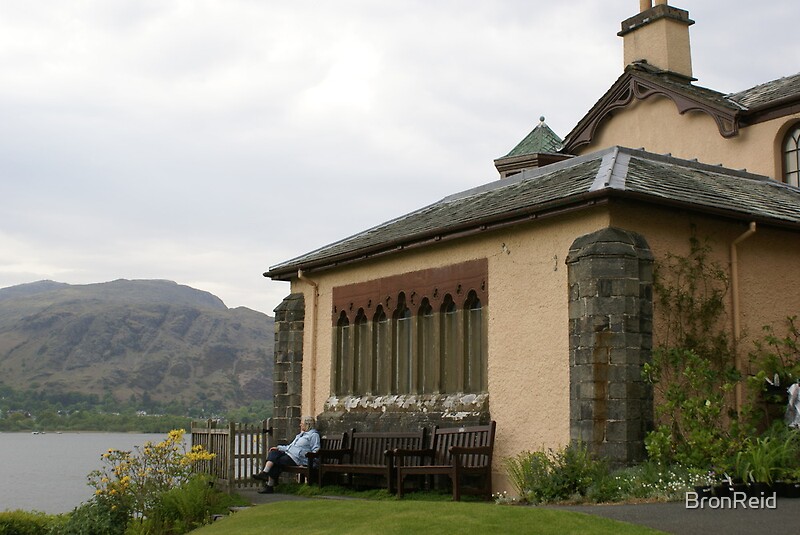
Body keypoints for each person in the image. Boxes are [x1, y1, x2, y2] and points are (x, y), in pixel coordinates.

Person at [253, 415, 320, 493]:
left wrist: (305, 455)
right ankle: (265, 473)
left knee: (277, 461)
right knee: (274, 452)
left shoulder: (314, 435)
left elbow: (316, 450)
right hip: (289, 454)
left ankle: (269, 484)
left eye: (302, 423)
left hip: (298, 458)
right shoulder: (301, 435)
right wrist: (278, 448)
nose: (300, 425)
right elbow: (290, 447)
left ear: (307, 424)